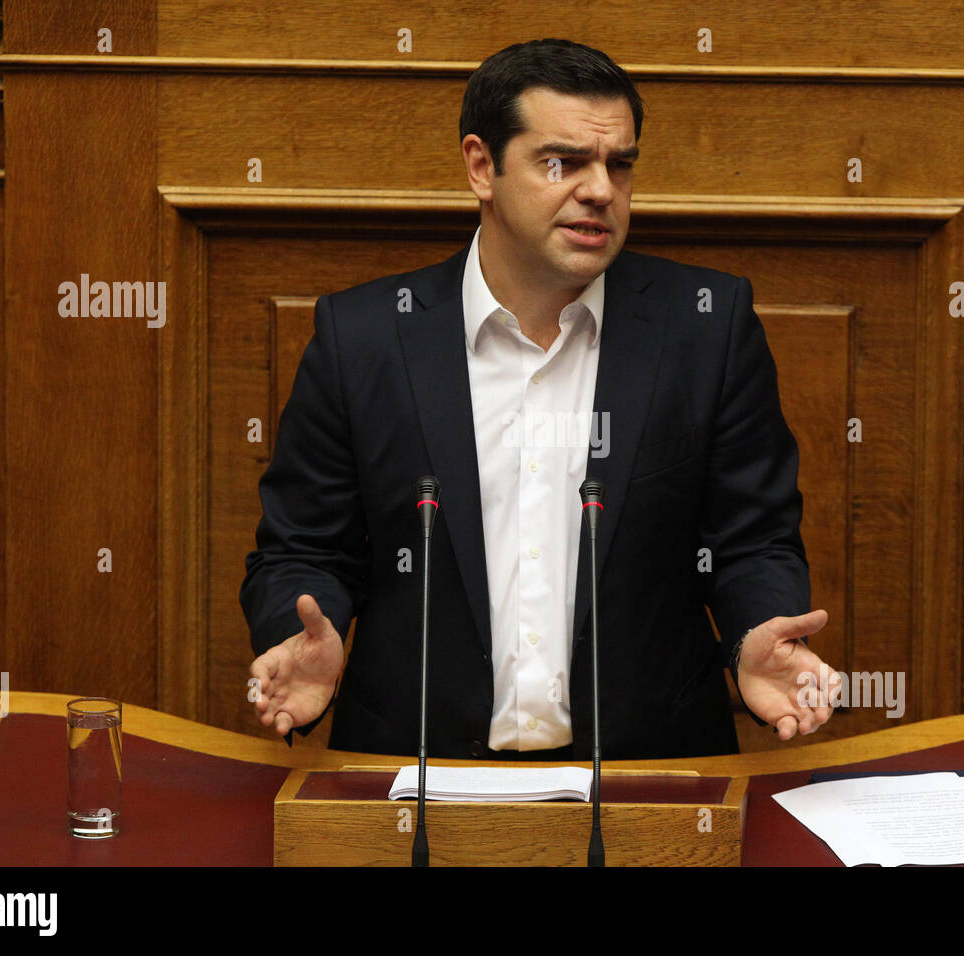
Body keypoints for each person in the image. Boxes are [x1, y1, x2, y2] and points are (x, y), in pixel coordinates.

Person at [241, 38, 840, 760]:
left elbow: (752, 540)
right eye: (563, 162)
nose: (600, 190)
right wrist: (306, 634)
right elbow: (303, 548)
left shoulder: (704, 326)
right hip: (419, 773)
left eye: (619, 165)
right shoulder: (364, 336)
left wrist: (754, 634)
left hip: (648, 773)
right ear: (481, 166)